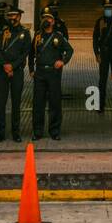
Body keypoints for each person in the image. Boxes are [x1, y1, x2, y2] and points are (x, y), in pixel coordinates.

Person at [28, 11, 73, 141]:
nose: (46, 20)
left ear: (53, 21)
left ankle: (54, 131)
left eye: (48, 18)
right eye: (44, 18)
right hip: (40, 73)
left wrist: (63, 61)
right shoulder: (37, 36)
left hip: (53, 73)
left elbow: (69, 50)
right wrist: (31, 69)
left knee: (55, 103)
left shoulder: (58, 36)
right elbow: (31, 53)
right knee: (38, 104)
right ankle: (37, 131)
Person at [0, 6, 31, 143]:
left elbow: (25, 53)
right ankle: (0, 133)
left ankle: (16, 133)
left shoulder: (25, 33)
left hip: (17, 72)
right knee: (1, 103)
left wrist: (13, 66)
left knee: (16, 103)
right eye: (9, 16)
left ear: (19, 17)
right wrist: (5, 65)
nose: (11, 18)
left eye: (14, 16)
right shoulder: (3, 31)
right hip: (3, 71)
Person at [92, 0, 112, 113]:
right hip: (104, 53)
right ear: (104, 9)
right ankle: (101, 105)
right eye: (106, 8)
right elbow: (95, 39)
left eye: (110, 8)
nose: (108, 10)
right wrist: (97, 53)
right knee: (102, 80)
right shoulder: (99, 21)